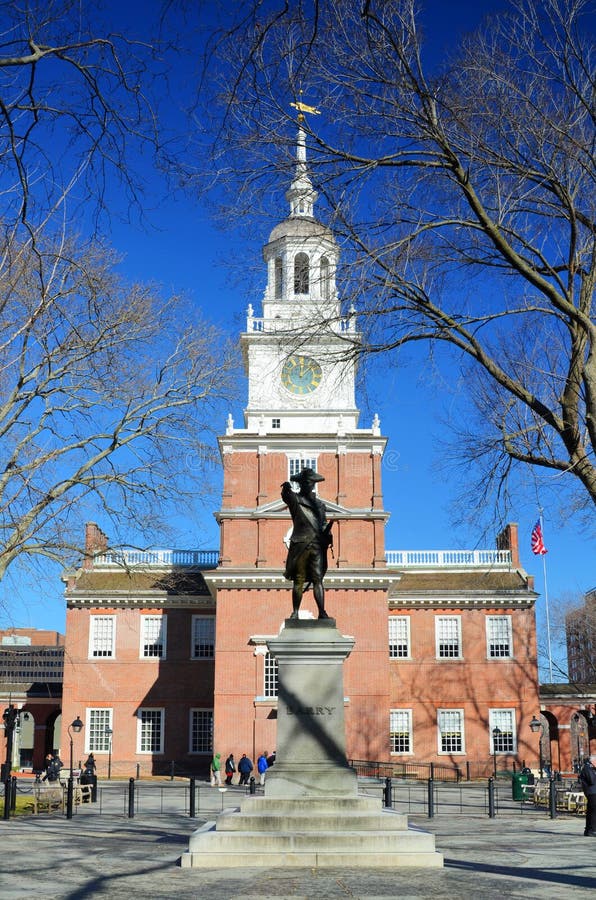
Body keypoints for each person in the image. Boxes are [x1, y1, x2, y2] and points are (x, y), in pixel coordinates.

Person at [281, 468, 333, 619]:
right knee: (299, 579)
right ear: (301, 484)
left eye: (310, 482)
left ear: (314, 484)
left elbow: (322, 524)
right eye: (305, 482)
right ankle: (295, 612)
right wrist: (286, 488)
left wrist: (328, 534)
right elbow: (286, 496)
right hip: (300, 544)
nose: (308, 485)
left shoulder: (320, 506)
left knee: (318, 579)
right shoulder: (295, 500)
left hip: (316, 545)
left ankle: (322, 613)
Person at [579, 753, 596, 836]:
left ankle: (588, 830)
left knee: (590, 811)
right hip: (592, 792)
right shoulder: (587, 768)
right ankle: (592, 830)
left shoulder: (590, 768)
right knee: (593, 811)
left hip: (592, 792)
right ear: (592, 761)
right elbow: (591, 780)